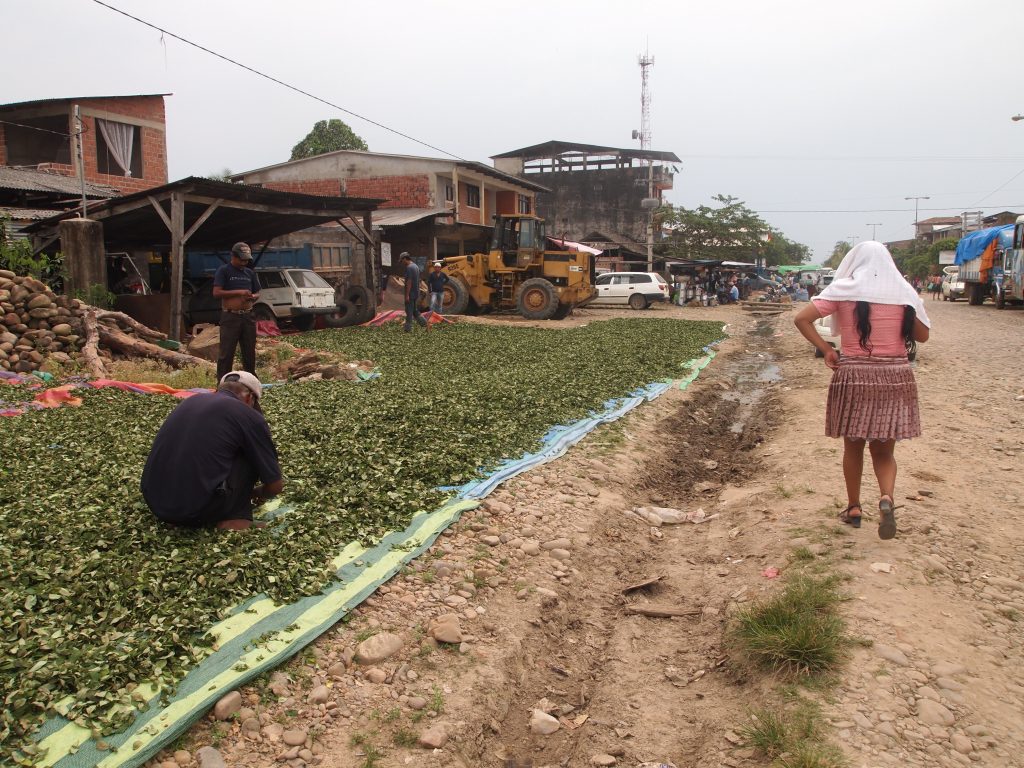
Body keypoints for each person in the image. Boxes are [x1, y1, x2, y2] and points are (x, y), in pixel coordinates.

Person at [793, 241, 930, 540]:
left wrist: (826, 348)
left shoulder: (843, 289)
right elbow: (923, 335)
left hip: (854, 374)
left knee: (853, 445)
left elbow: (801, 318)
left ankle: (854, 507)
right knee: (884, 450)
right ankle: (887, 498)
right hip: (895, 376)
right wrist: (907, 308)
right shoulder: (904, 292)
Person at [141, 372, 283, 530]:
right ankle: (234, 519)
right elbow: (275, 486)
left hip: (156, 502)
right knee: (250, 452)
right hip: (198, 509)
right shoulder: (249, 415)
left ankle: (178, 513)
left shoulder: (189, 401)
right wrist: (255, 494)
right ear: (250, 398)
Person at [213, 242, 261, 381]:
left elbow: (258, 292)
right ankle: (222, 382)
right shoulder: (224, 271)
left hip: (248, 316)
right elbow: (216, 293)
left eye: (246, 260)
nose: (244, 262)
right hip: (230, 316)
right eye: (241, 259)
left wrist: (252, 297)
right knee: (226, 353)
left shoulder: (249, 273)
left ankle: (251, 381)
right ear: (232, 256)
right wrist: (239, 292)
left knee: (249, 351)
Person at [400, 252, 428, 331]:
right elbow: (419, 280)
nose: (402, 263)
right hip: (416, 293)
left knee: (409, 311)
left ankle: (407, 330)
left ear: (405, 258)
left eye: (402, 261)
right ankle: (425, 324)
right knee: (414, 310)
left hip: (411, 294)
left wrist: (407, 295)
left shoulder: (409, 267)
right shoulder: (415, 266)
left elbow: (409, 282)